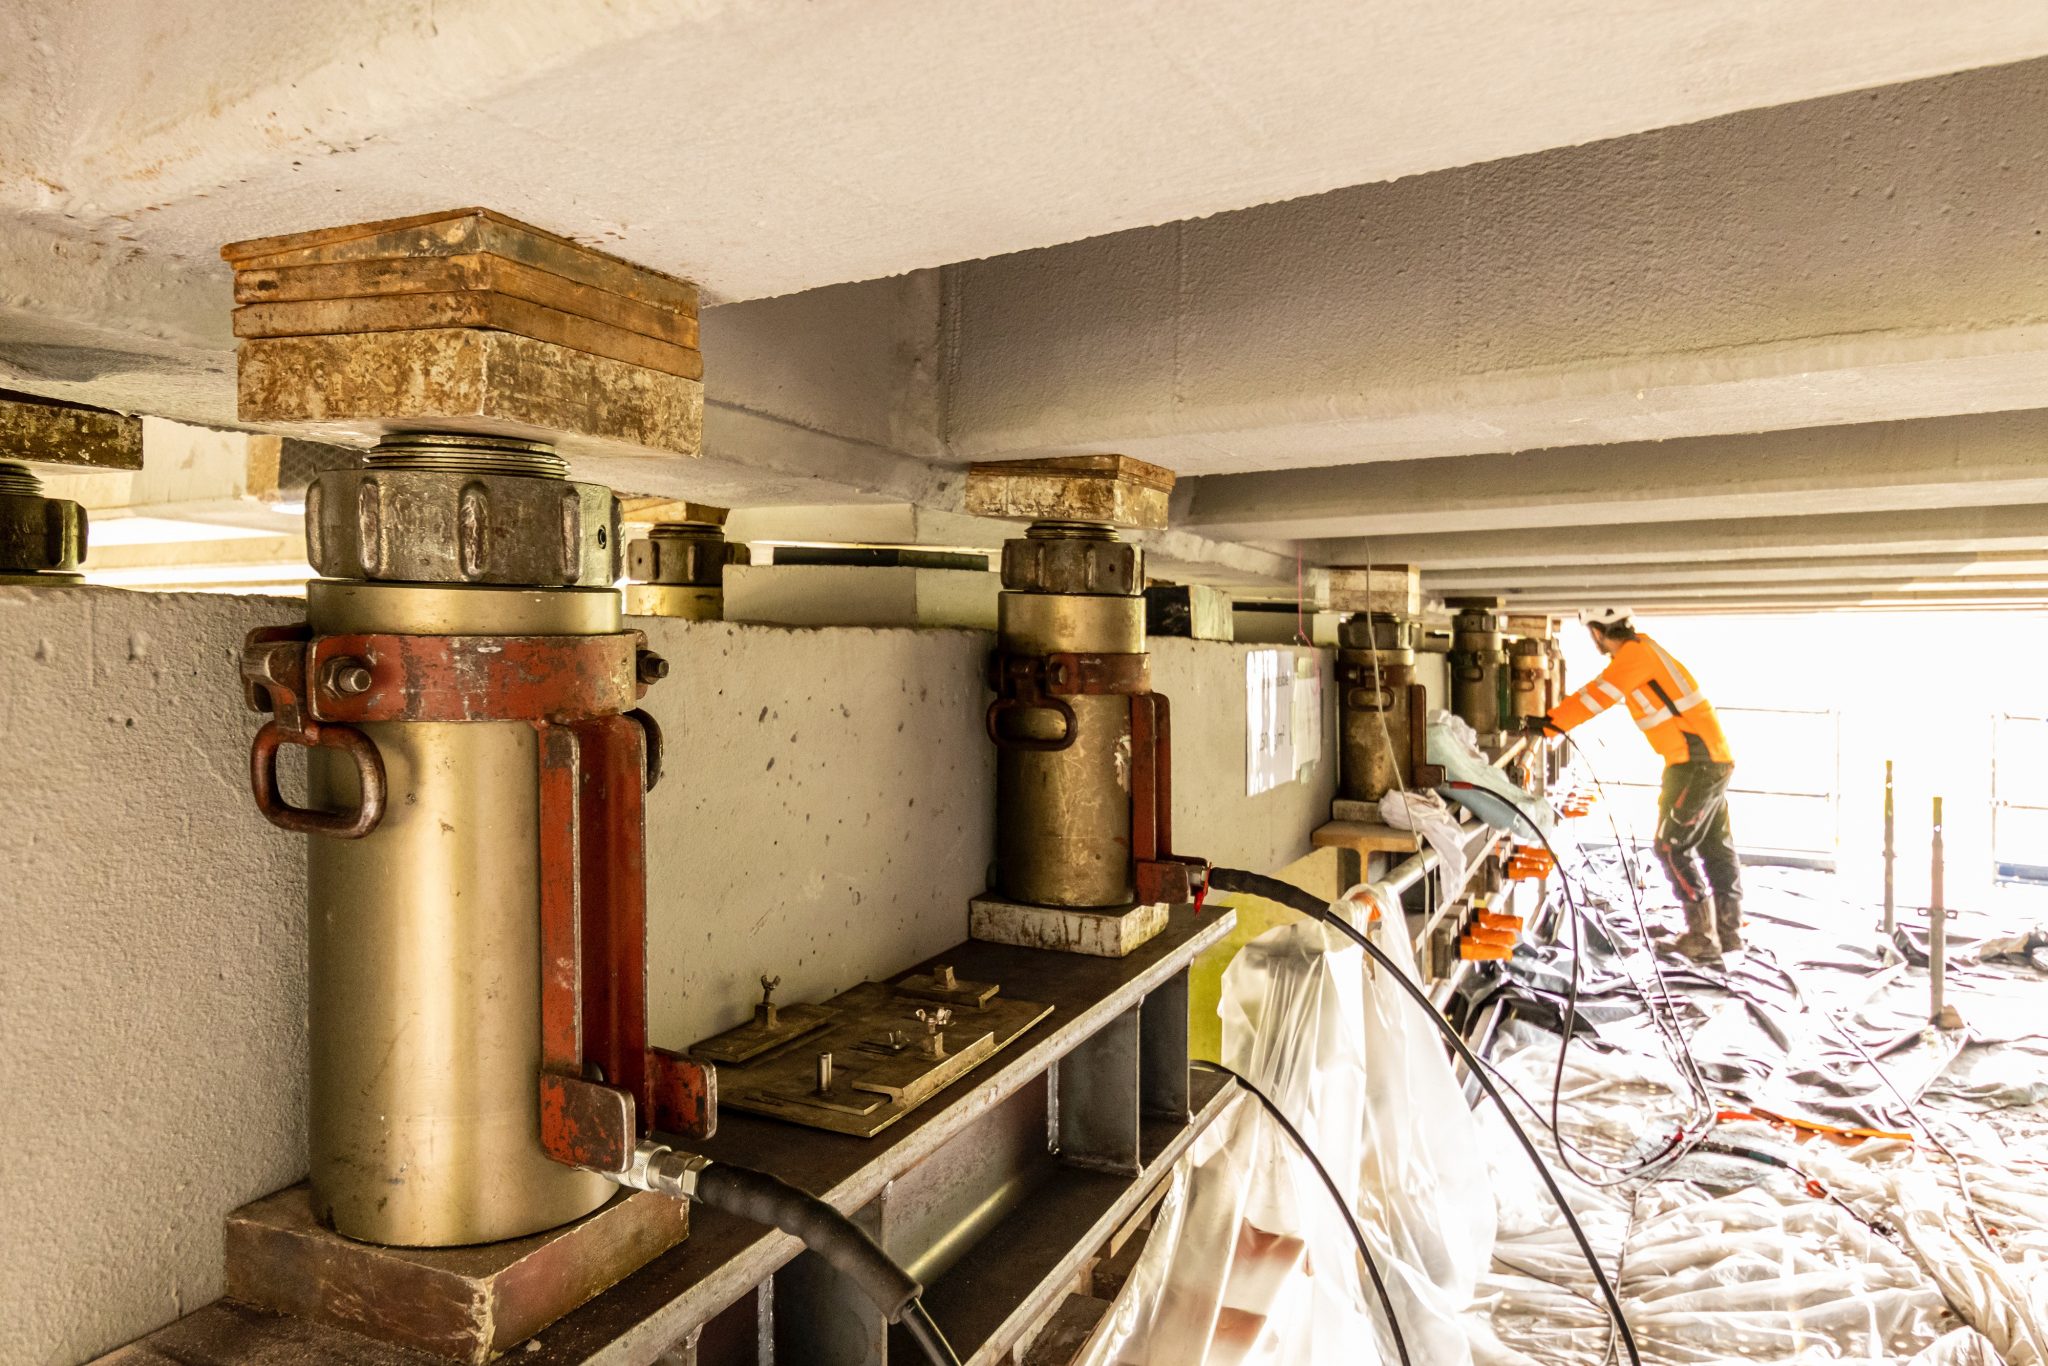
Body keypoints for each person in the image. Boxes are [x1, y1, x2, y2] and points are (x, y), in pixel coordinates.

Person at [1524, 607, 1741, 961]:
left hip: (1695, 764)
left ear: (1596, 632)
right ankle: (1728, 935)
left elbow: (1597, 695)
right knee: (1716, 846)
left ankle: (1704, 938)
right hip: (1705, 761)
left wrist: (1549, 725)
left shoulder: (1635, 655)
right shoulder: (1645, 648)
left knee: (1671, 847)